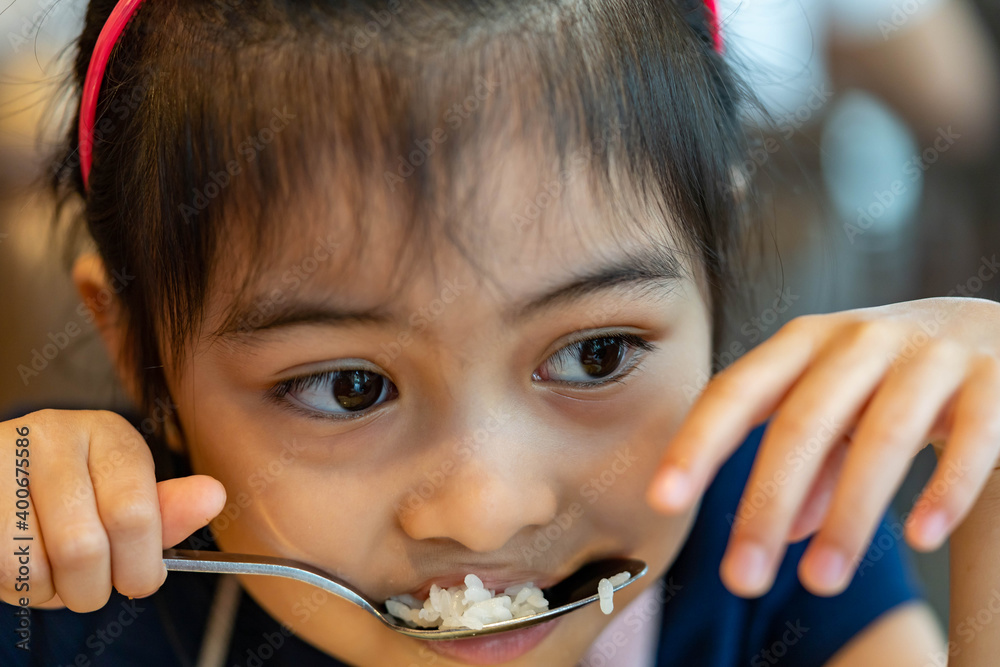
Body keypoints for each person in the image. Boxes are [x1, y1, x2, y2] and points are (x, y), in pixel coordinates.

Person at [3, 0, 1000, 665]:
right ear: (137, 350)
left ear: (716, 279)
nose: (482, 513)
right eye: (349, 386)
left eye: (594, 355)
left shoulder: (776, 533)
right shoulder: (65, 576)